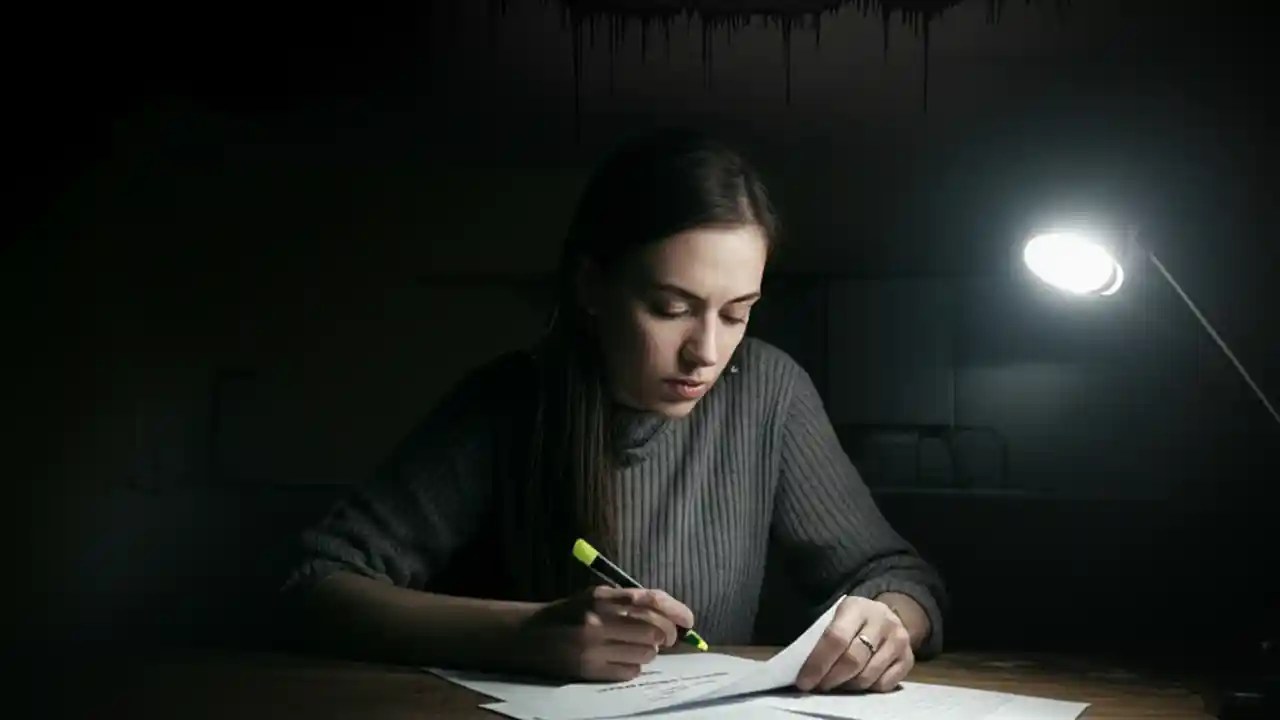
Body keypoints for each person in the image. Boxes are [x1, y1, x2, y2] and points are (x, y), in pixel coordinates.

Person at [278, 128, 947, 694]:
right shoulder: (510, 404)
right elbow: (317, 586)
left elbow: (899, 576)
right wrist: (525, 635)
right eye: (671, 308)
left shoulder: (768, 391)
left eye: (737, 313)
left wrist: (887, 620)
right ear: (592, 286)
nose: (706, 353)